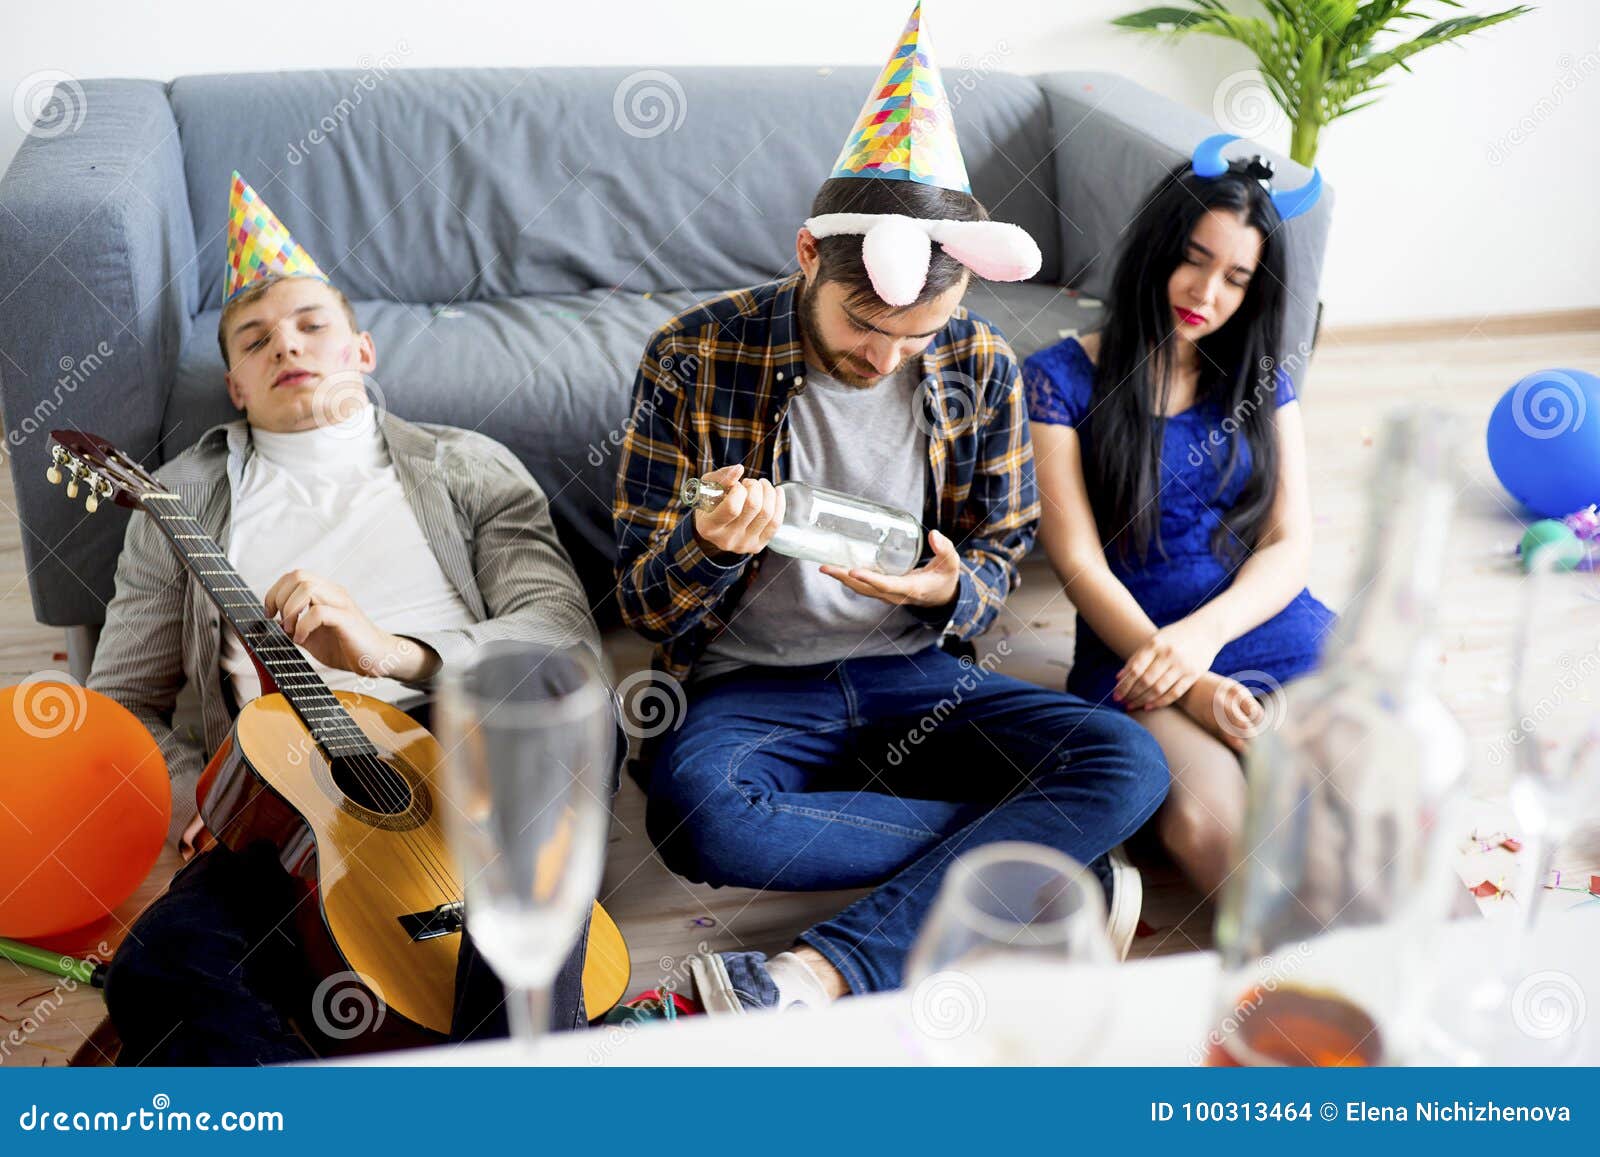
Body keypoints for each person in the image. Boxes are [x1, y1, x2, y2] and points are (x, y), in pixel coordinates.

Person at [609, 5, 1168, 1017]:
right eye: (864, 324)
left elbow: (1000, 545)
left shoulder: (980, 361)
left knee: (1129, 760)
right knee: (700, 821)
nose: (886, 356)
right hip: (752, 685)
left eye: (916, 335)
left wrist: (952, 590)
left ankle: (815, 972)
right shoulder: (693, 355)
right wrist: (708, 547)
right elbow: (644, 601)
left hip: (918, 674)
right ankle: (1037, 858)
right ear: (806, 256)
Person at [91, 173, 604, 1064]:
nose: (286, 344)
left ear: (362, 350)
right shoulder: (178, 498)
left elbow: (562, 637)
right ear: (236, 385)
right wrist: (211, 791)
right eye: (255, 340)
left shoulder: (473, 463)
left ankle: (502, 1082)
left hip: (464, 746)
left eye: (310, 324)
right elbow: (120, 701)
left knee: (546, 705)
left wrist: (393, 652)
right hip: (285, 791)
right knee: (157, 968)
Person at [1021, 140, 1336, 897]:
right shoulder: (1057, 380)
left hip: (1259, 623)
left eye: (1236, 278)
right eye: (1194, 260)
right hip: (1137, 649)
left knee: (1345, 800)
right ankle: (1304, 967)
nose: (1207, 292)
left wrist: (1203, 638)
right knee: (1210, 829)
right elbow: (1077, 561)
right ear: (1158, 249)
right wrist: (1189, 678)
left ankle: (1417, 959)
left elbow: (1289, 543)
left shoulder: (1262, 378)